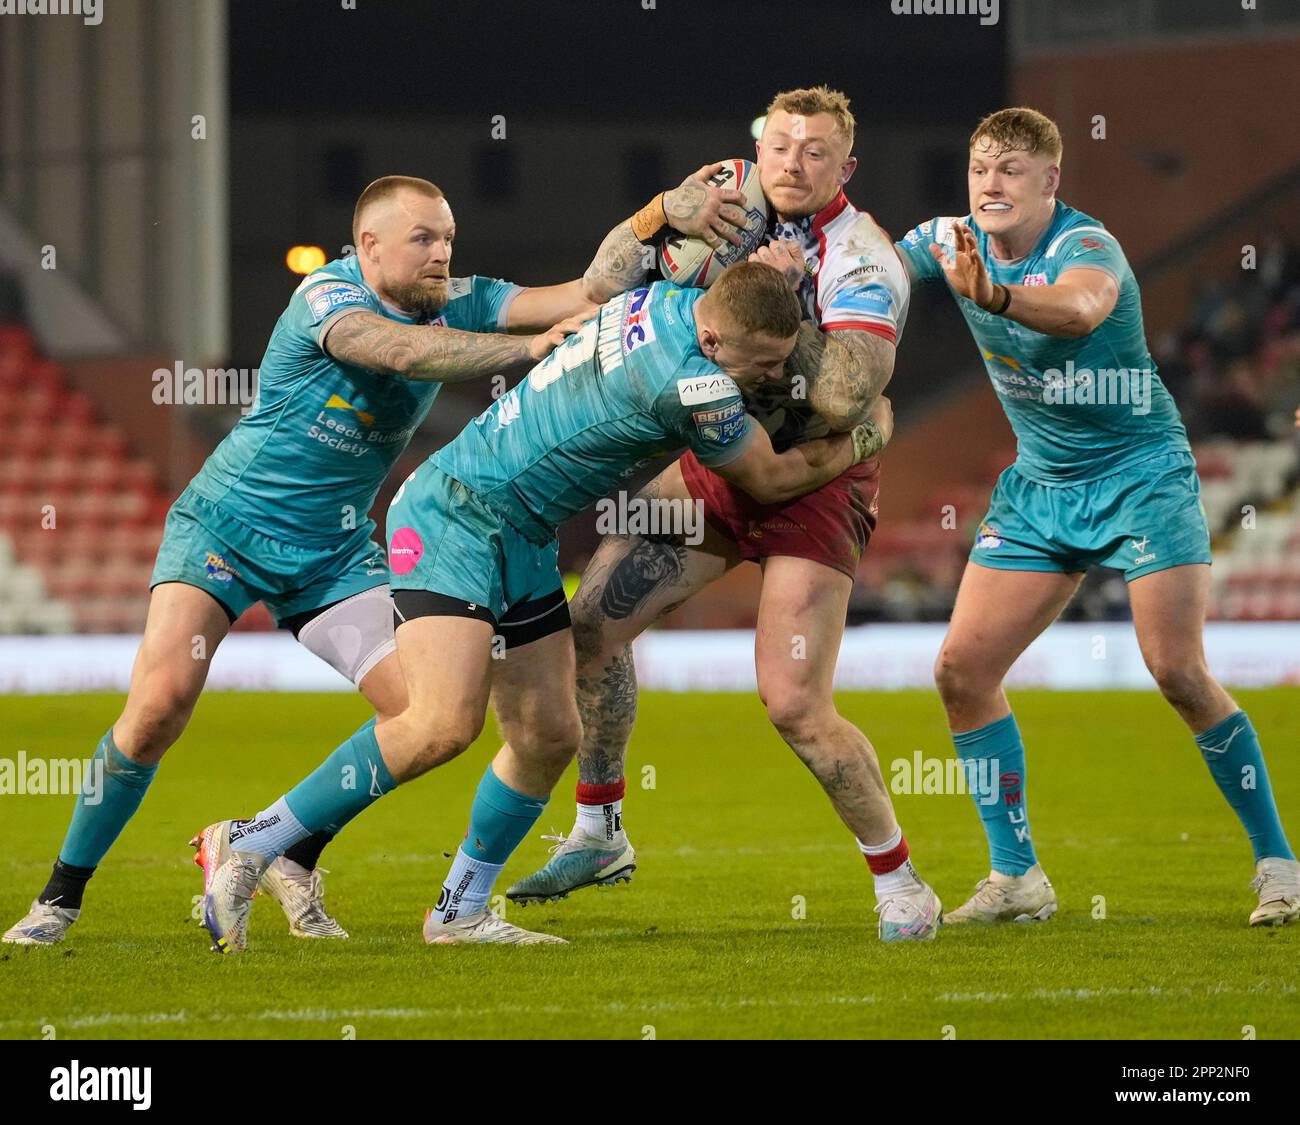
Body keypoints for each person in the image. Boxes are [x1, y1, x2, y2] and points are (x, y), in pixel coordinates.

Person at [196, 261, 892, 952]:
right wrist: (860, 438)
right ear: (714, 342)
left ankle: (459, 912)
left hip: (520, 529)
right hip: (455, 513)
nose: (772, 377)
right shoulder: (697, 384)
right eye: (763, 362)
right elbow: (769, 480)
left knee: (549, 735)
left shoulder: (665, 298)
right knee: (439, 726)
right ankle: (252, 842)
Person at [509, 86, 942, 942]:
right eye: (781, 143)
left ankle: (901, 883)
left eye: (815, 151)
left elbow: (850, 396)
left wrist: (774, 290)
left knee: (792, 704)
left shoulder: (861, 258)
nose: (791, 162)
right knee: (587, 631)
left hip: (815, 480)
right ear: (761, 142)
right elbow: (598, 287)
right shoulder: (723, 195)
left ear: (843, 167)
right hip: (716, 463)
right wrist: (655, 215)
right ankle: (600, 832)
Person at [896, 107, 1297, 927]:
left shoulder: (1089, 246)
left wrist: (996, 295)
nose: (991, 182)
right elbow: (864, 263)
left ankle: (1280, 864)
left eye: (1011, 169)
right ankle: (1018, 881)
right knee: (961, 673)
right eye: (979, 168)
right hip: (1041, 486)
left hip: (1141, 476)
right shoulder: (947, 239)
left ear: (1051, 181)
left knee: (1176, 671)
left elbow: (1079, 311)